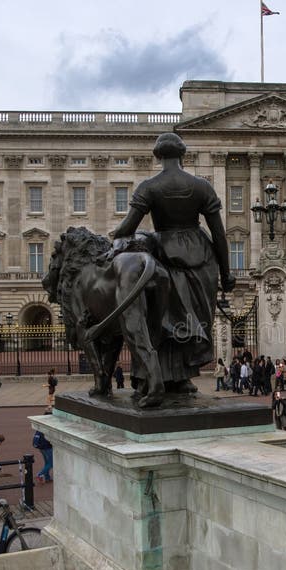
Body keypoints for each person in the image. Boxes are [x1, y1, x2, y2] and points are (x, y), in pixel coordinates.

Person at [109, 131, 235, 394]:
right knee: (190, 322)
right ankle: (182, 377)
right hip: (201, 259)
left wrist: (114, 236)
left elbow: (128, 226)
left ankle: (152, 377)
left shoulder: (149, 186)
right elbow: (220, 235)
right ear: (183, 154)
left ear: (158, 156)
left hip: (163, 255)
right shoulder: (201, 186)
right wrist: (226, 274)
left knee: (159, 320)